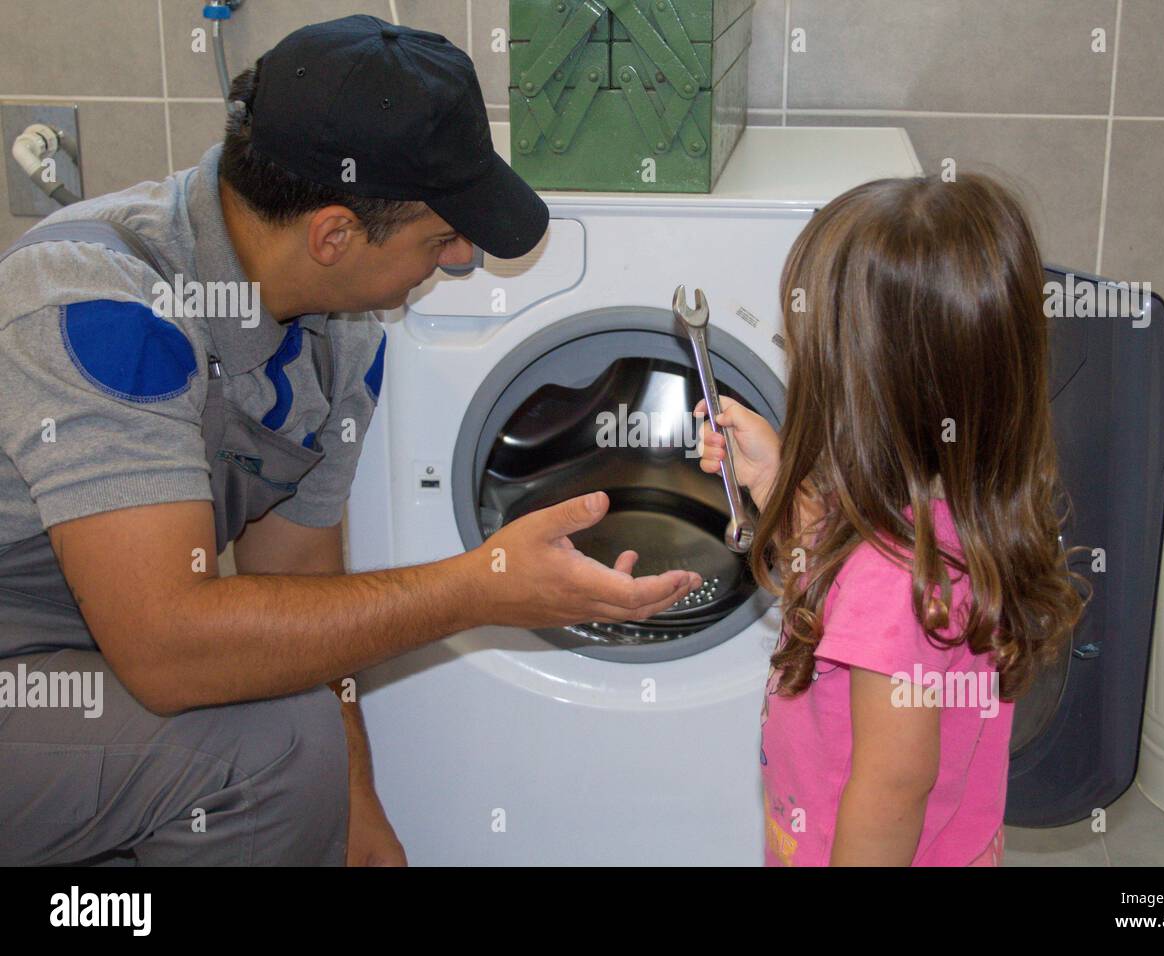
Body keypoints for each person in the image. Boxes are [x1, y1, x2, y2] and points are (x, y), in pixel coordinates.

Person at [0, 15, 700, 867]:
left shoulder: (341, 342)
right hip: (36, 674)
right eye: (441, 237)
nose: (463, 256)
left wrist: (356, 810)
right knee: (264, 754)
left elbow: (298, 597)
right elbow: (168, 649)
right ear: (332, 234)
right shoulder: (98, 305)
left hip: (80, 672)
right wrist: (480, 587)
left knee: (290, 757)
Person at [695, 173, 1088, 866]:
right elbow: (838, 582)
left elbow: (894, 786)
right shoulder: (945, 519)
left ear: (860, 390)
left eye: (806, 353)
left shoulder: (891, 577)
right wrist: (773, 478)